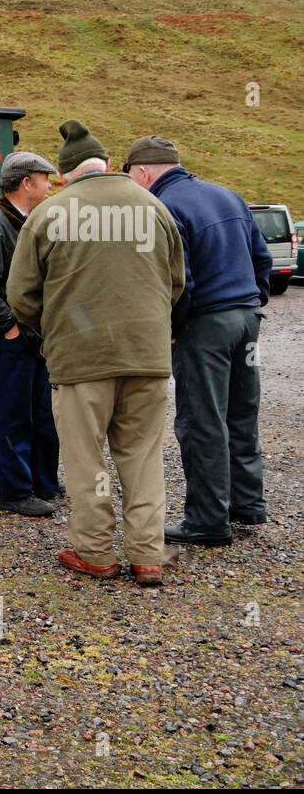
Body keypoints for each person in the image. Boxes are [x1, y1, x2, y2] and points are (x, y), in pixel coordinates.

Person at [6, 120, 185, 585]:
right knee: (143, 457)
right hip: (146, 357)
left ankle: (97, 554)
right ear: (107, 165)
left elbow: (21, 295)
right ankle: (148, 555)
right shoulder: (154, 207)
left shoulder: (49, 213)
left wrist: (53, 326)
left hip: (79, 360)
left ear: (65, 175)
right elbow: (177, 283)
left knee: (87, 461)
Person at [123, 136, 272, 546]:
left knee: (202, 421)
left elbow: (180, 280)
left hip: (206, 324)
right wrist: (254, 302)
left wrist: (174, 324)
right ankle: (248, 504)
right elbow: (262, 259)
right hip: (246, 319)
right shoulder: (229, 196)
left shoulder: (165, 206)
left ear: (144, 172)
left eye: (132, 178)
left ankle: (208, 521)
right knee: (241, 413)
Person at [0, 150, 61, 518]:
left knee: (42, 412)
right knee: (15, 414)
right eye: (44, 178)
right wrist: (11, 327)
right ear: (26, 183)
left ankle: (43, 482)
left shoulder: (24, 222)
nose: (50, 185)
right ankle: (14, 493)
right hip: (17, 341)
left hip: (37, 340)